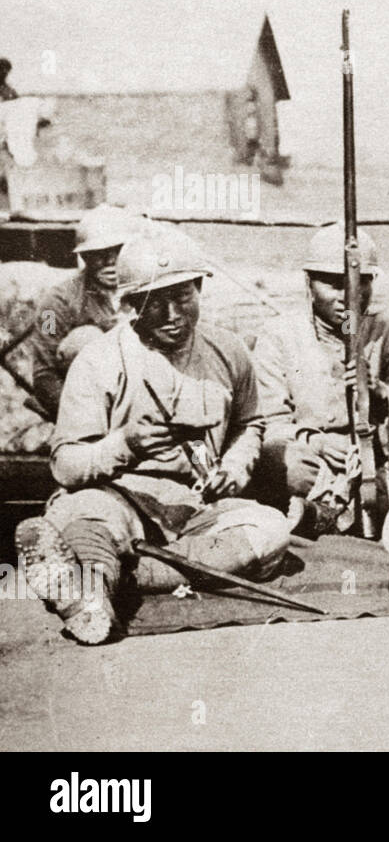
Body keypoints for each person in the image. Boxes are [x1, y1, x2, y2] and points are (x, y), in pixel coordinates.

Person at [15, 234, 292, 645]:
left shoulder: (228, 351)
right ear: (129, 304)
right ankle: (94, 577)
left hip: (198, 507)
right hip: (118, 497)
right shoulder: (100, 360)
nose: (172, 314)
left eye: (183, 297)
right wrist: (124, 444)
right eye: (154, 302)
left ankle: (104, 577)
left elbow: (249, 424)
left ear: (199, 289)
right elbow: (67, 466)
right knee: (84, 514)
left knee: (271, 531)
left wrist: (235, 467)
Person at [250, 222, 389, 534]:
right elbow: (268, 424)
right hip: (311, 463)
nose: (349, 296)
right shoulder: (280, 335)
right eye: (334, 284)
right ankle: (330, 514)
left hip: (374, 461)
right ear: (309, 282)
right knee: (280, 462)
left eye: (360, 283)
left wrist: (377, 391)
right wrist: (315, 442)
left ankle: (334, 516)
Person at [27, 207, 137, 419]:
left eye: (118, 251)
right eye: (100, 254)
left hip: (139, 398)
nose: (110, 262)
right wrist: (82, 417)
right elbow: (44, 376)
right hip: (89, 404)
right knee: (86, 338)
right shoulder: (55, 304)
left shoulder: (147, 291)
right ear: (85, 256)